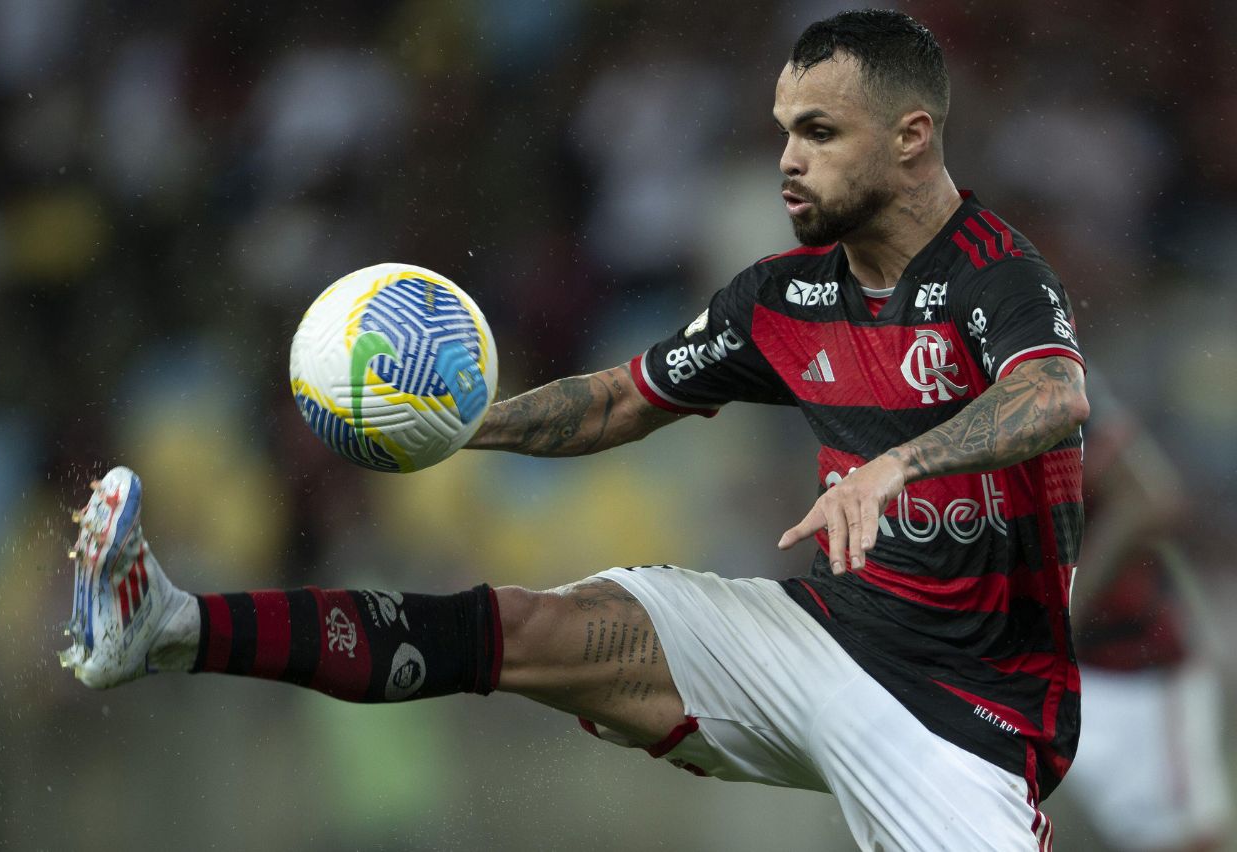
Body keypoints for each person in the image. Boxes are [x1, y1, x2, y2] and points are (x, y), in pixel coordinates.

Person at [60, 11, 1089, 850]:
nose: (785, 159)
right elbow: (617, 401)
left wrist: (897, 465)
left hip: (966, 720)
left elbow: (1050, 397)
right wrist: (456, 427)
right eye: (781, 129)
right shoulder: (779, 299)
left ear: (910, 136)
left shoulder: (992, 272)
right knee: (531, 628)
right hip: (817, 641)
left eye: (817, 133)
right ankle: (170, 628)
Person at [1060, 375, 1232, 852]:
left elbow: (1149, 496)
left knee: (1176, 840)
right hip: (1044, 672)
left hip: (1134, 667)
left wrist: (1070, 601)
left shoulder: (1049, 368)